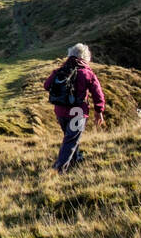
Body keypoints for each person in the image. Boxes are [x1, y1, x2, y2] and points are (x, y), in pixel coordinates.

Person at [43, 43, 106, 173]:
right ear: (85, 57)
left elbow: (46, 85)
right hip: (77, 112)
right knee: (71, 140)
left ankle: (76, 160)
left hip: (60, 111)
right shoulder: (87, 73)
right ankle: (59, 169)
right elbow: (97, 93)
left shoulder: (60, 71)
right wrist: (99, 111)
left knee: (70, 137)